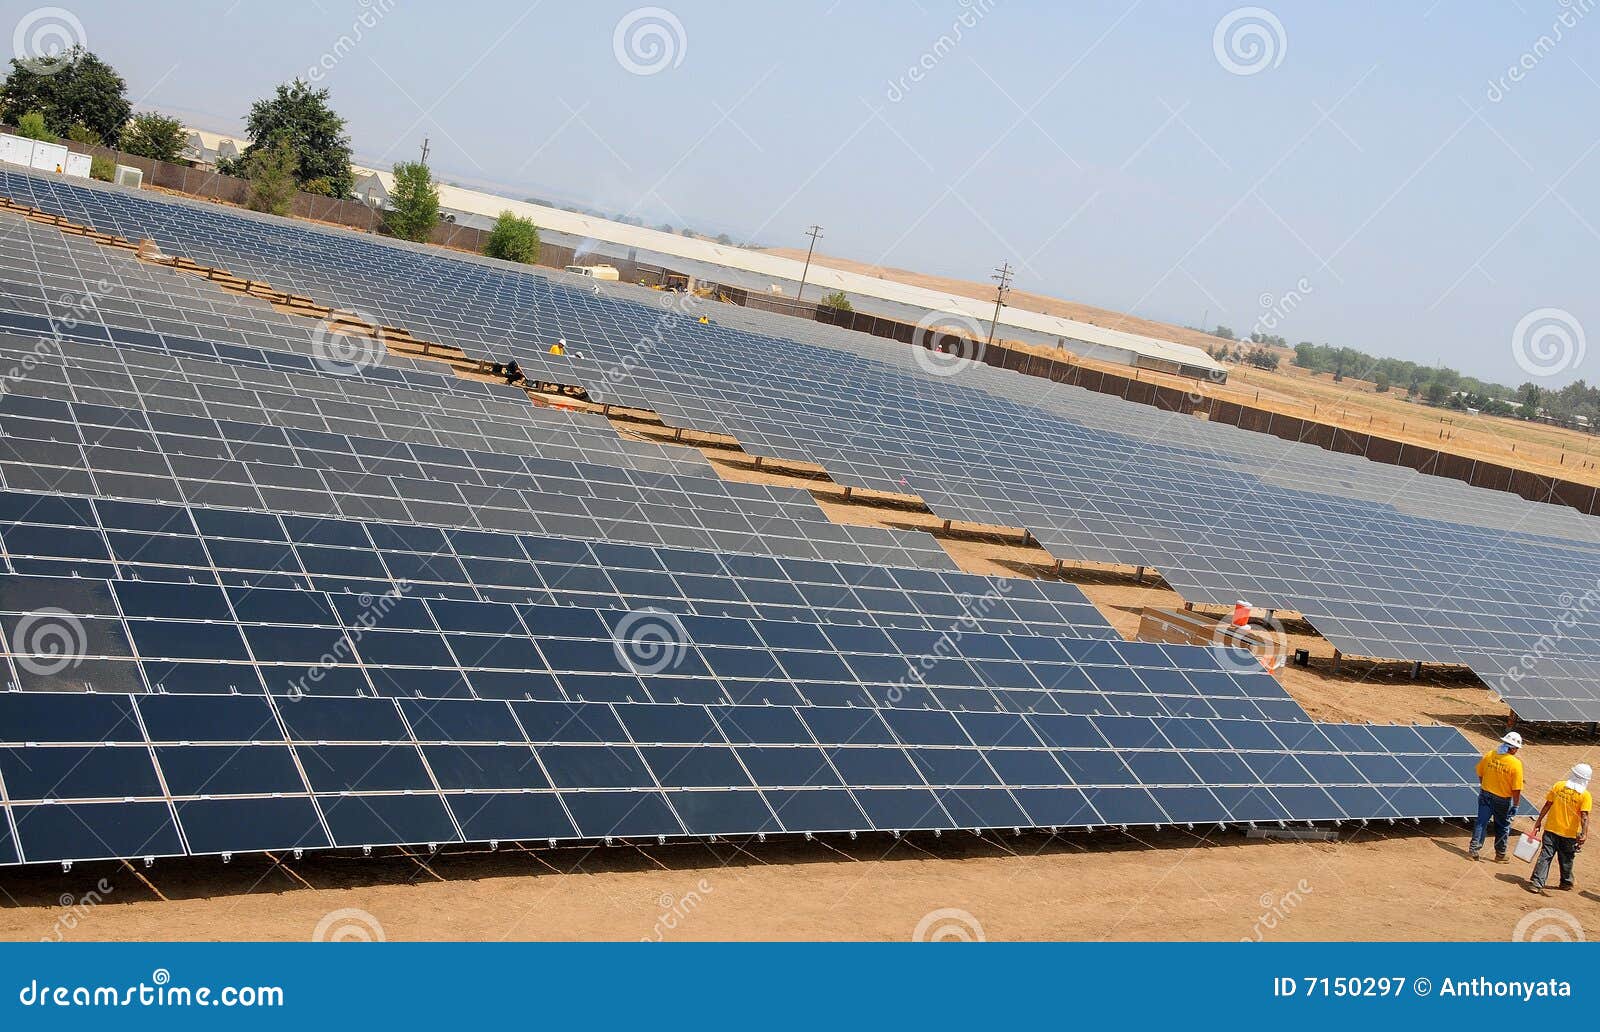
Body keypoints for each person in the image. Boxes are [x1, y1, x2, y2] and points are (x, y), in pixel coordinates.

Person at [1527, 763, 1592, 895]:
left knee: (1545, 856)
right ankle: (1566, 882)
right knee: (1567, 858)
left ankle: (1536, 883)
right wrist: (1584, 834)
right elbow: (1584, 816)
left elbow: (1547, 804)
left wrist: (1538, 821)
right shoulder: (1585, 795)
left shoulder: (1559, 786)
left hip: (1551, 829)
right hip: (1569, 834)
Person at [1470, 731, 1524, 861]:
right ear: (1512, 748)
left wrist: (1484, 787)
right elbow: (1516, 789)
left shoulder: (1490, 755)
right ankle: (1500, 855)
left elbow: (1480, 773)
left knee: (1481, 822)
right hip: (1502, 800)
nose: (1517, 750)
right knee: (1502, 826)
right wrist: (1516, 805)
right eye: (1517, 748)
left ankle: (1474, 850)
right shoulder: (1515, 764)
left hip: (1485, 795)